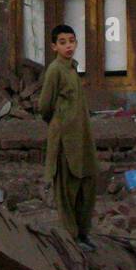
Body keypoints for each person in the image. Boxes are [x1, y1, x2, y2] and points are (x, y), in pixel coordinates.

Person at [38, 24, 101, 252]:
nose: (68, 46)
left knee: (88, 182)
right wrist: (58, 124)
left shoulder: (73, 69)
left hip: (81, 137)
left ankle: (84, 233)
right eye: (63, 42)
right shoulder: (55, 70)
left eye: (72, 41)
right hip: (65, 140)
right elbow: (44, 106)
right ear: (54, 46)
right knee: (67, 188)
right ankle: (73, 238)